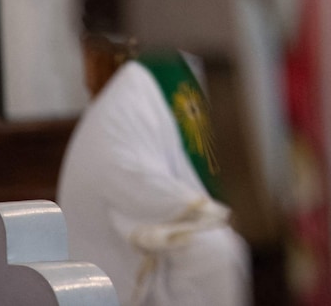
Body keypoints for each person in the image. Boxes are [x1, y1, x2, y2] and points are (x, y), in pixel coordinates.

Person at [57, 32, 250, 306]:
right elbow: (130, 184)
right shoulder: (130, 101)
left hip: (148, 219)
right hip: (114, 244)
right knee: (215, 252)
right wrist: (215, 214)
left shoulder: (173, 80)